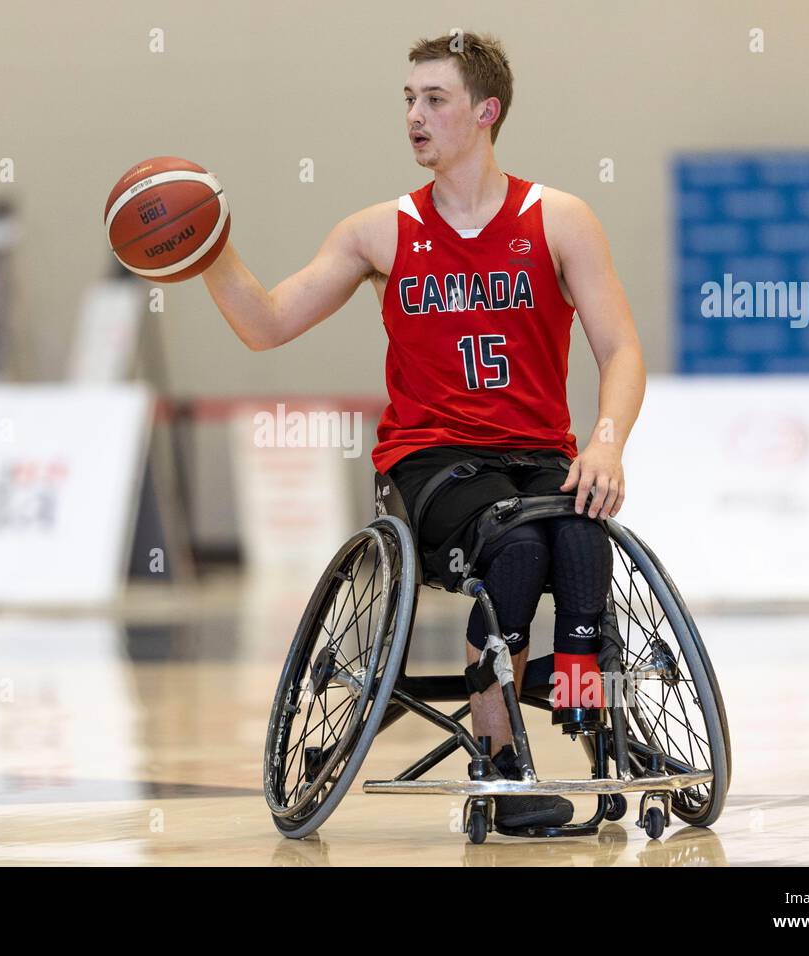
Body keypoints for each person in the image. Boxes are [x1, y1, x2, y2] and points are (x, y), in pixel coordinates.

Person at [200, 32, 645, 832]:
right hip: (430, 461)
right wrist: (209, 249)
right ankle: (499, 756)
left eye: (433, 100)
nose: (414, 115)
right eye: (408, 99)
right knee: (512, 547)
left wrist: (606, 441)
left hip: (539, 452)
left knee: (584, 541)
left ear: (486, 111)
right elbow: (266, 324)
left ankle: (584, 703)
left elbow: (621, 348)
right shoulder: (379, 231)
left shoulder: (559, 218)